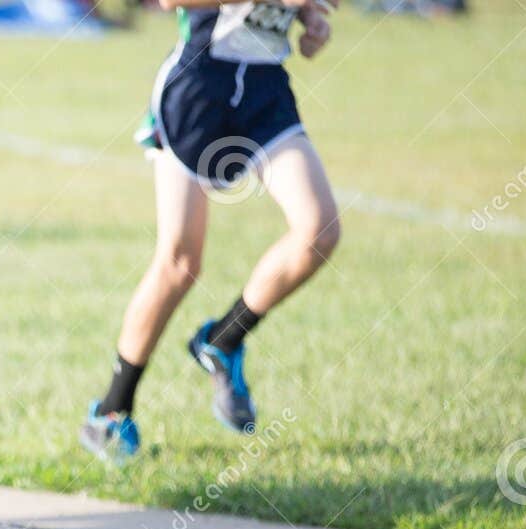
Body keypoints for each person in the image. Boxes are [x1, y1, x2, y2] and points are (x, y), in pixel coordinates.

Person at [81, 0, 339, 462]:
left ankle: (224, 339)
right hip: (199, 85)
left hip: (264, 90)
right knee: (180, 264)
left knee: (318, 231)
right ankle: (112, 410)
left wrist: (311, 21)